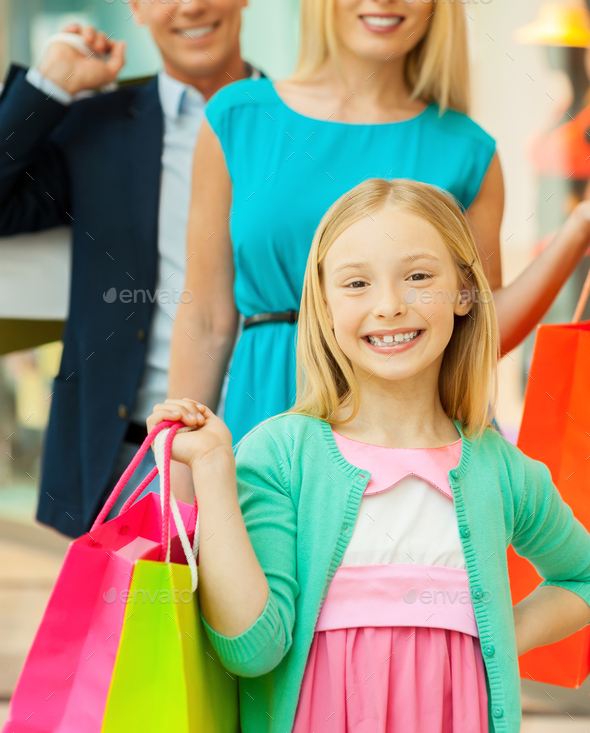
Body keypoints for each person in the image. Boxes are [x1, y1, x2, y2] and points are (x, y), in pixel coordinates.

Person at [166, 0, 590, 503]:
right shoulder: (238, 118)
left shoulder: (466, 150)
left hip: (420, 445)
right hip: (266, 417)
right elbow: (203, 316)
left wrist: (577, 232)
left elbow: (481, 327)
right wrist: (178, 475)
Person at [149, 178, 590, 733]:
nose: (389, 305)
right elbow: (251, 650)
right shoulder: (281, 455)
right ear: (326, 305)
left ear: (463, 292)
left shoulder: (499, 468)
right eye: (356, 283)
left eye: (419, 276)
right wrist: (213, 472)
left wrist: (500, 630)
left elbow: (582, 577)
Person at [0, 0, 262, 537]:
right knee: (120, 642)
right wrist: (48, 87)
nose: (191, 3)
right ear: (138, 5)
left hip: (271, 451)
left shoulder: (297, 125)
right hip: (125, 460)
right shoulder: (97, 130)